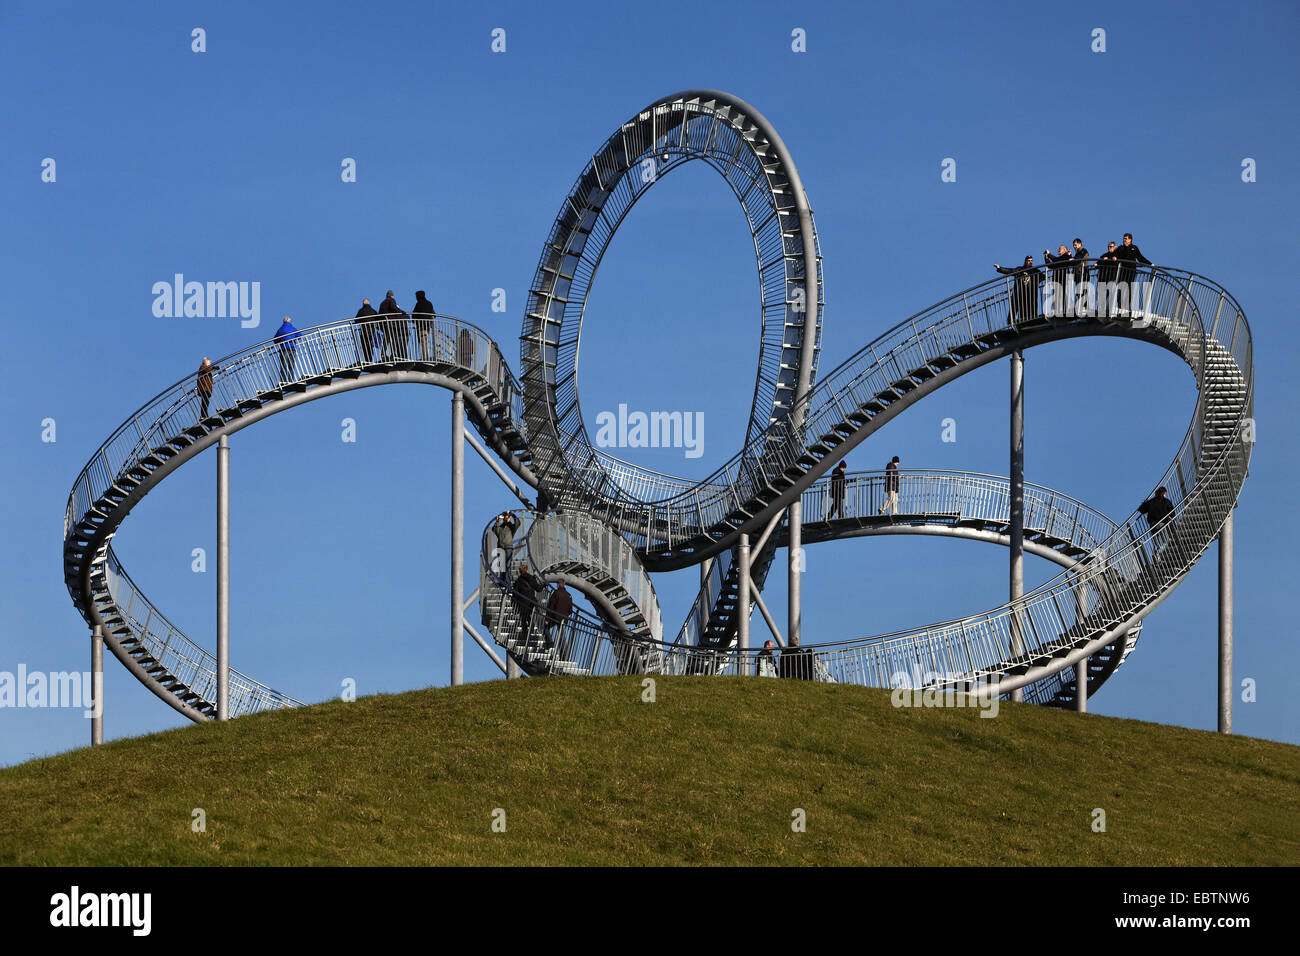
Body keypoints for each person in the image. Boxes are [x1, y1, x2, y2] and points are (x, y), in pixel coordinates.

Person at [994, 255, 1042, 323]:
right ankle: (1011, 321)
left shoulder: (1035, 270)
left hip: (1030, 293)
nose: (1030, 262)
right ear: (1025, 262)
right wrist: (999, 268)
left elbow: (1042, 277)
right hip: (1019, 292)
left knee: (1030, 307)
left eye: (1031, 261)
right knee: (1016, 307)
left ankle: (1031, 320)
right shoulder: (1020, 269)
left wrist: (1035, 283)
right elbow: (1010, 271)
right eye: (1029, 261)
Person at [512, 563, 546, 647]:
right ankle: (533, 632)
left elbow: (515, 593)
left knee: (524, 618)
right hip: (531, 601)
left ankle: (525, 635)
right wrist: (543, 585)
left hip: (523, 602)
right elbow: (538, 589)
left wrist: (514, 604)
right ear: (526, 570)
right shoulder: (531, 578)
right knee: (532, 617)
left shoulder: (518, 581)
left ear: (520, 571)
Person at [1137, 486, 1175, 555]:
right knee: (1165, 542)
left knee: (1156, 543)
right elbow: (1172, 514)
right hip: (1161, 524)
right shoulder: (1166, 502)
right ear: (1164, 493)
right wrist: (1172, 529)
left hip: (1152, 524)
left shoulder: (1151, 501)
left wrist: (1144, 503)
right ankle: (1158, 553)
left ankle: (1155, 557)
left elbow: (1141, 510)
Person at [378, 290, 408, 360]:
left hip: (384, 323)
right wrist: (401, 312)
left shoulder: (382, 303)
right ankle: (393, 353)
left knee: (387, 339)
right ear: (392, 295)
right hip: (391, 323)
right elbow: (394, 308)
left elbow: (380, 313)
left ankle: (383, 353)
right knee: (395, 338)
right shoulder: (391, 300)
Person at [545, 581, 573, 653]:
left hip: (555, 617)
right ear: (564, 585)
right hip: (564, 618)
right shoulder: (569, 595)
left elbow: (550, 607)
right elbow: (570, 610)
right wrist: (566, 615)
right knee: (562, 636)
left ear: (558, 585)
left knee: (546, 628)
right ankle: (564, 654)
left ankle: (550, 643)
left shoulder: (556, 593)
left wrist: (547, 618)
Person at [1043, 244, 1072, 314]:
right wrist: (1046, 258)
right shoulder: (1059, 260)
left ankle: (1064, 310)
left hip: (1062, 279)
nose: (1058, 250)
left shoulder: (1066, 256)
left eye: (1060, 249)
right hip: (1056, 279)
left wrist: (1049, 254)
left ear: (1065, 250)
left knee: (1062, 295)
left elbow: (1056, 260)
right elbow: (1051, 266)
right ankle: (1057, 310)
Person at [1096, 241, 1120, 317]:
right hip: (1103, 278)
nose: (1110, 248)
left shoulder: (1117, 255)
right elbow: (1098, 263)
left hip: (1111, 277)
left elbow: (1119, 262)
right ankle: (1101, 311)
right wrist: (1103, 260)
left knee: (1110, 295)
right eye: (1109, 246)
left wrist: (1112, 259)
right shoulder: (1104, 255)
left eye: (1111, 246)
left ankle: (1108, 312)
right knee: (1101, 295)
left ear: (1115, 247)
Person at [274, 316, 301, 384]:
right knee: (291, 365)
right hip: (292, 348)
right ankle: (291, 380)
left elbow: (275, 340)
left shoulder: (280, 329)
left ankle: (283, 380)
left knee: (283, 365)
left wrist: (280, 341)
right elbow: (299, 336)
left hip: (284, 349)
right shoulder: (293, 328)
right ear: (290, 322)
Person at [493, 512, 519, 578]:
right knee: (501, 566)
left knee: (507, 565)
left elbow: (518, 523)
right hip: (501, 547)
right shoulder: (500, 527)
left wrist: (512, 514)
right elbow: (495, 530)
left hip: (508, 547)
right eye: (505, 517)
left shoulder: (511, 527)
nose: (506, 518)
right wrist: (497, 521)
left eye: (507, 517)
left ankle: (507, 582)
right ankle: (502, 582)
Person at [412, 290, 436, 360]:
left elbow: (414, 315)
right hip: (428, 326)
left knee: (423, 342)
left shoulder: (418, 304)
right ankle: (426, 356)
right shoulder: (429, 303)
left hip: (421, 326)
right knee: (425, 341)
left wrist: (414, 321)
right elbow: (434, 315)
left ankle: (425, 357)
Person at [353, 298, 379, 363]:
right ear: (369, 303)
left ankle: (367, 360)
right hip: (372, 331)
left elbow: (356, 320)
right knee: (370, 346)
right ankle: (370, 359)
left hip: (364, 331)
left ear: (363, 304)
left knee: (364, 345)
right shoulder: (373, 311)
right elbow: (378, 319)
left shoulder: (361, 311)